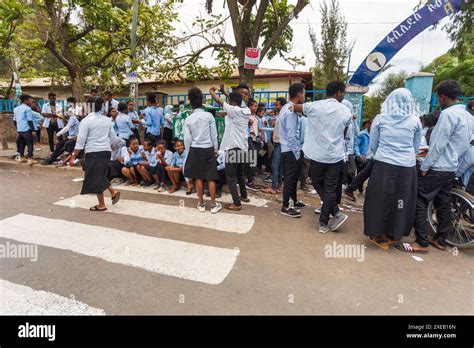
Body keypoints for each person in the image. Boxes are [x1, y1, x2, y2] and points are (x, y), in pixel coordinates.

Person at [398, 80, 471, 253]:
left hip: (438, 166)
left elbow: (438, 145)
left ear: (443, 97)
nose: (438, 101)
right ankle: (441, 239)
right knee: (443, 203)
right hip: (451, 166)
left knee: (419, 199)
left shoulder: (447, 115)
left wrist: (426, 166)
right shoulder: (467, 115)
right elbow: (465, 144)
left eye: (438, 97)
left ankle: (421, 242)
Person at [363, 88, 422, 250]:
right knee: (401, 200)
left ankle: (377, 234)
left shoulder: (380, 119)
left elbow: (373, 145)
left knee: (379, 199)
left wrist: (384, 153)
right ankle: (394, 233)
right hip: (407, 168)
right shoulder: (415, 121)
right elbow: (416, 146)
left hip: (384, 165)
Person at [293, 81, 351, 233]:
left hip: (317, 155)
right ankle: (327, 220)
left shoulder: (314, 106)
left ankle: (334, 215)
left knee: (317, 183)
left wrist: (298, 97)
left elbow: (295, 107)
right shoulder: (346, 111)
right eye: (343, 93)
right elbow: (344, 134)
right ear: (338, 93)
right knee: (330, 189)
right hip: (335, 156)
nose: (343, 96)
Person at [69, 97, 121, 211]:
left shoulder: (86, 121)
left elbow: (80, 141)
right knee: (98, 175)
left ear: (89, 107)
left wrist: (73, 156)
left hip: (93, 152)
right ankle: (111, 193)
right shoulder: (107, 120)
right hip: (106, 152)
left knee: (95, 176)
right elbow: (113, 138)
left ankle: (103, 203)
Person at [210, 85, 251, 211]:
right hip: (243, 148)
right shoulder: (246, 111)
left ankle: (237, 203)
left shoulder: (235, 110)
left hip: (233, 147)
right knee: (240, 174)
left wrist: (212, 92)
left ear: (232, 103)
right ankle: (244, 196)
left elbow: (218, 101)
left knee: (230, 176)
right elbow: (235, 100)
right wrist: (225, 92)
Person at [183, 87, 222, 214]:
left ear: (190, 102)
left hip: (195, 149)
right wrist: (215, 150)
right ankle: (213, 205)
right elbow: (214, 135)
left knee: (198, 178)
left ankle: (201, 203)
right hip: (208, 149)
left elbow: (187, 138)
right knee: (211, 178)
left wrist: (189, 151)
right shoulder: (209, 116)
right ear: (202, 101)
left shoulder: (189, 119)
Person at [279, 83, 307, 218]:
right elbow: (291, 135)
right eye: (304, 93)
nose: (304, 96)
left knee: (294, 177)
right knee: (290, 179)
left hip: (289, 149)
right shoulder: (290, 110)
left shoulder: (287, 107)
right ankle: (285, 206)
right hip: (291, 150)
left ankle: (294, 201)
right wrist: (297, 152)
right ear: (298, 94)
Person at [45, 97, 81, 165]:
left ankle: (52, 159)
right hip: (71, 137)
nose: (63, 116)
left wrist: (58, 133)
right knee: (60, 145)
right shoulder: (71, 117)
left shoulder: (73, 118)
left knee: (62, 146)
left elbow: (67, 127)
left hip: (74, 137)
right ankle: (52, 158)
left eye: (64, 114)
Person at [344, 120, 372, 201]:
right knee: (360, 174)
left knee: (369, 176)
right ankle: (356, 189)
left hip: (371, 158)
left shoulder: (376, 134)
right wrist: (358, 154)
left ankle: (363, 191)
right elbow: (356, 145)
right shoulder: (362, 134)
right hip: (361, 158)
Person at [14, 94, 37, 165]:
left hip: (20, 129)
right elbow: (29, 120)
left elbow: (14, 120)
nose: (31, 101)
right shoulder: (28, 109)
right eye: (30, 100)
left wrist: (17, 128)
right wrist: (33, 130)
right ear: (25, 101)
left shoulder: (16, 109)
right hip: (27, 129)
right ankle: (30, 159)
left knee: (22, 144)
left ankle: (22, 157)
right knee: (30, 144)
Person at [245, 98, 260, 192]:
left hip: (255, 140)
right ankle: (249, 181)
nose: (256, 108)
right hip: (249, 139)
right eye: (254, 106)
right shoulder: (246, 116)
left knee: (254, 161)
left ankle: (250, 179)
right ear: (249, 106)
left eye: (256, 106)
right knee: (251, 161)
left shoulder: (254, 116)